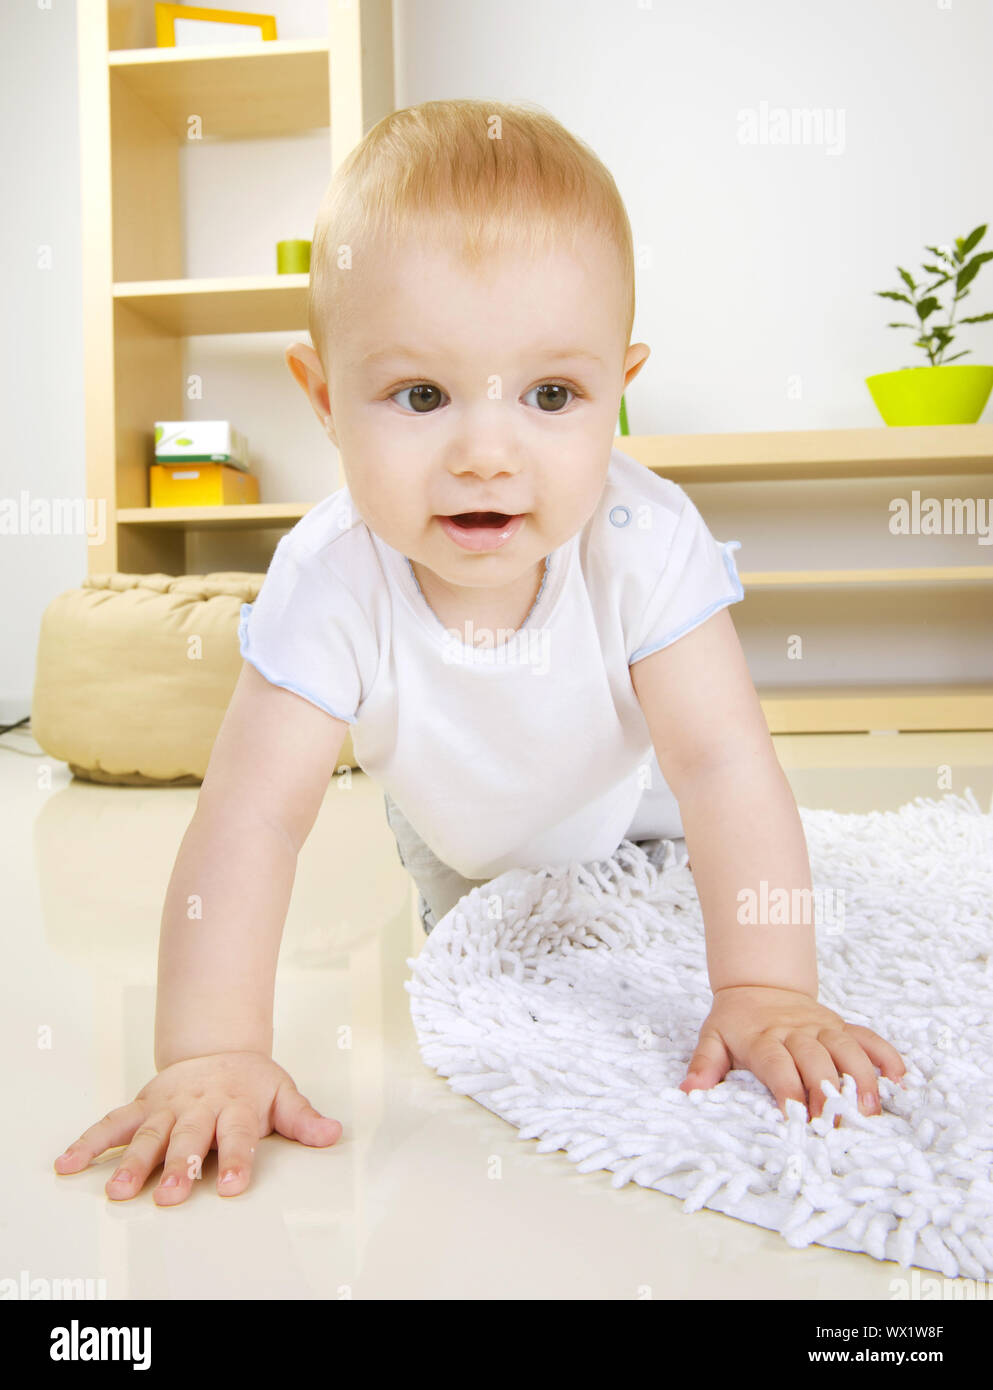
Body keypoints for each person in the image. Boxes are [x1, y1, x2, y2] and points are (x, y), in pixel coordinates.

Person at [54, 99, 905, 1207]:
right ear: (323, 398)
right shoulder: (330, 578)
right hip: (448, 827)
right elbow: (250, 817)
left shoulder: (644, 541)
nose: (487, 456)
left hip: (630, 790)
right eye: (420, 395)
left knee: (673, 882)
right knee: (489, 962)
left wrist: (766, 984)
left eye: (552, 395)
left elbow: (725, 767)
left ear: (619, 394)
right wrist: (209, 1047)